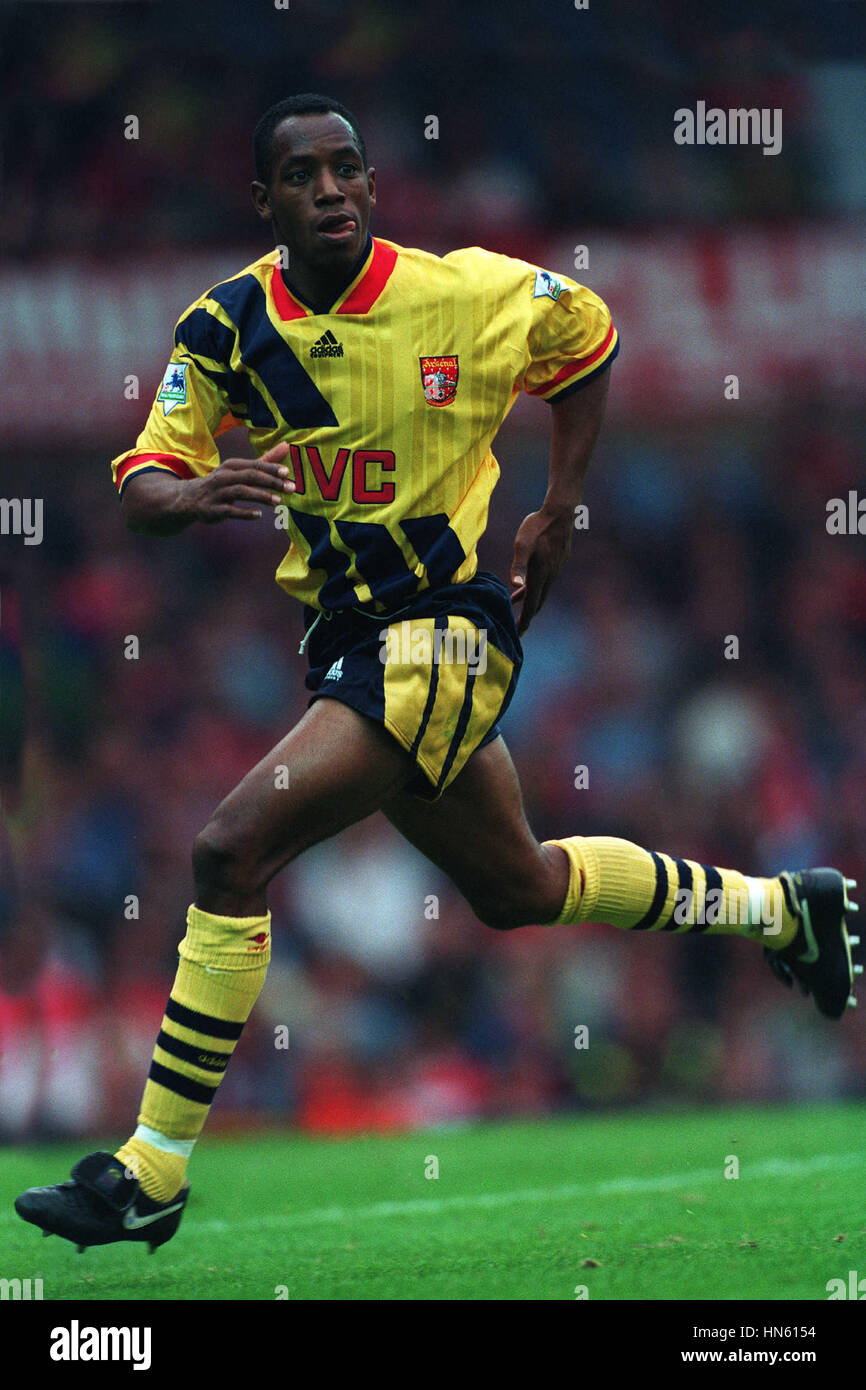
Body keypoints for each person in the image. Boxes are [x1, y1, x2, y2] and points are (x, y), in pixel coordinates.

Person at [15, 93, 860, 1254]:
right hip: (345, 646)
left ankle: (150, 1166)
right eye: (301, 175)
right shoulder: (221, 329)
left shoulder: (458, 292)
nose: (329, 190)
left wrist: (558, 506)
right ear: (264, 200)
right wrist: (186, 494)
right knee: (515, 886)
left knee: (227, 847)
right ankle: (783, 906)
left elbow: (590, 339)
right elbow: (146, 473)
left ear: (369, 186)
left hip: (447, 632)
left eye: (346, 169)